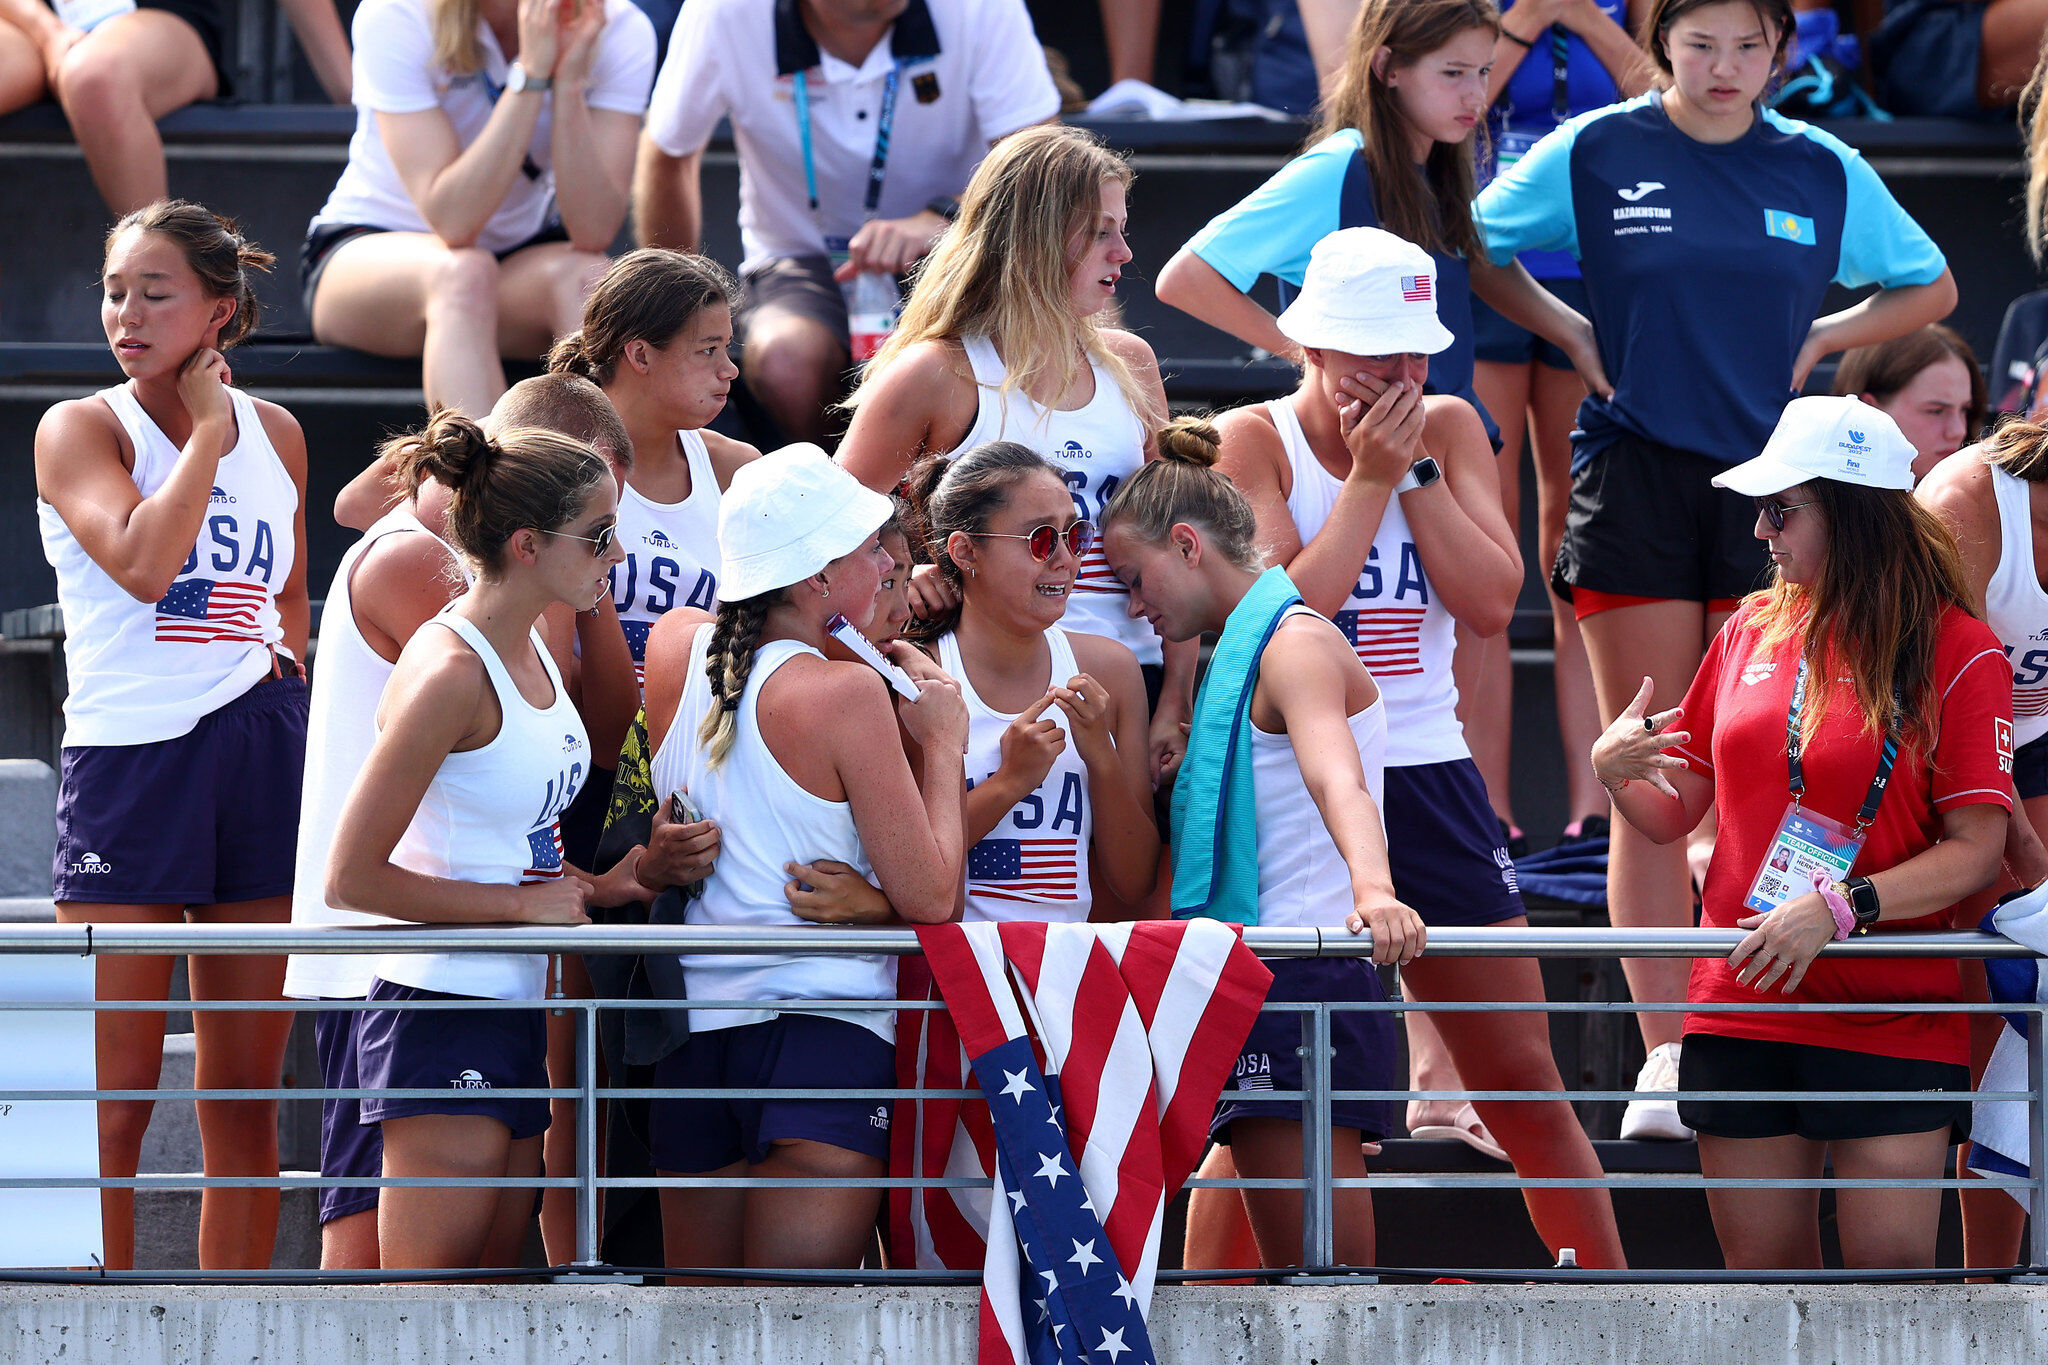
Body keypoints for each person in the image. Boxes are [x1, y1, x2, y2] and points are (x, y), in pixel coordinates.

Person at [1473, 0, 1956, 1139]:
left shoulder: (1818, 163)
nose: (1723, 68)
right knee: (1651, 776)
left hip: (1779, 486)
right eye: (1698, 44)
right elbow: (1475, 241)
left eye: (1748, 46)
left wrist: (1822, 341)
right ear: (1659, 42)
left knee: (1759, 771)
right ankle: (1662, 1059)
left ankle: (1753, 1022)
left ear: (1780, 52)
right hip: (1636, 469)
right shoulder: (1597, 147)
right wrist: (1569, 333)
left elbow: (1927, 286)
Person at [1208, 227, 1626, 1266]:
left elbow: (1489, 604)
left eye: (1409, 353)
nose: (1394, 377)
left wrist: (1413, 477)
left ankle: (1621, 1310)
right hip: (1287, 780)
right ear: (1309, 345)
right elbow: (1281, 620)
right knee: (1264, 1097)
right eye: (1369, 355)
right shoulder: (1248, 438)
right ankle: (1203, 1309)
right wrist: (1363, 482)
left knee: (1523, 1075)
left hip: (1427, 773)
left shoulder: (1445, 424)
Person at [1592, 395, 2012, 1270]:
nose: (1757, 530)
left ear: (1854, 514)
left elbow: (1979, 849)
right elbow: (1672, 814)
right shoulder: (1750, 625)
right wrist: (1616, 770)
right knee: (1763, 1299)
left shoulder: (1960, 648)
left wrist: (1839, 906)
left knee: (1887, 1313)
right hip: (1744, 1002)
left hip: (1892, 1009)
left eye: (1780, 508)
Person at [290, 373, 641, 1272]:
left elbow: (511, 836)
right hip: (441, 1001)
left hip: (508, 996)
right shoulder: (448, 665)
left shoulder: (529, 644)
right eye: (599, 535)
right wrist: (525, 914)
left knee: (495, 1291)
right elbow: (353, 877)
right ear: (527, 544)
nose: (617, 553)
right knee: (425, 1310)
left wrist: (608, 883)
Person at [35, 201, 309, 1271]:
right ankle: (99, 1315)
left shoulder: (278, 431)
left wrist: (276, 671)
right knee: (114, 1098)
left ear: (219, 312)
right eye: (115, 290)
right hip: (129, 762)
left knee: (244, 1093)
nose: (127, 313)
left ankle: (230, 1321)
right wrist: (201, 435)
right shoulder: (83, 426)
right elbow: (145, 564)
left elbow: (289, 592)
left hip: (254, 751)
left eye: (155, 292)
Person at [635, 445, 969, 1279]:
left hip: (694, 1036)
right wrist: (943, 745)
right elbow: (933, 898)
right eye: (870, 551)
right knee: (801, 1331)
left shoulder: (677, 648)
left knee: (700, 1334)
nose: (892, 562)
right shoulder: (846, 696)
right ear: (819, 577)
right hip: (829, 1031)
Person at [1096, 419, 1421, 1270]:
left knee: (1325, 1289)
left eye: (1136, 579)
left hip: (1300, 977)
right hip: (1258, 978)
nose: (1137, 607)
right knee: (1230, 1263)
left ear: (1187, 543)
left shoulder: (1294, 643)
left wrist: (1374, 888)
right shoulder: (1237, 660)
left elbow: (1335, 777)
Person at [839, 123, 1194, 795]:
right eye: (1100, 232)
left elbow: (1168, 545)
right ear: (1035, 235)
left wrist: (1176, 695)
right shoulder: (938, 371)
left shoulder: (1133, 366)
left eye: (1121, 229)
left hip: (1125, 678)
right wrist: (906, 564)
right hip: (980, 688)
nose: (1123, 252)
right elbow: (828, 519)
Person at [634, 0, 1060, 444]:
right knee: (788, 360)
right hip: (799, 260)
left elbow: (1043, 168)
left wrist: (946, 219)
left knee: (1083, 317)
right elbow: (668, 153)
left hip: (963, 250)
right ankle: (825, 492)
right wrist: (679, 310)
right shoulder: (724, 12)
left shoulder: (982, 8)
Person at [1156, 0, 1529, 441]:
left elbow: (1475, 262)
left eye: (1484, 71)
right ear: (1387, 66)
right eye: (1453, 72)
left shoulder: (1441, 163)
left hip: (1449, 428)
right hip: (1366, 440)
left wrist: (1576, 337)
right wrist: (1310, 352)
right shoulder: (1340, 165)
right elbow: (1185, 279)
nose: (1475, 94)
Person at [1467, 0, 1654, 852]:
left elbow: (1667, 97)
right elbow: (1450, 103)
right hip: (1487, 259)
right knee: (1485, 540)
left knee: (1570, 543)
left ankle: (1595, 799)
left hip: (1597, 270)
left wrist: (1583, 15)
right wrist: (1526, 19)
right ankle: (1485, 805)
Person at [302, 0, 656, 416]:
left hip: (515, 261)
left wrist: (569, 82)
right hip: (370, 250)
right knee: (463, 274)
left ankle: (613, 475)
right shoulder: (397, 12)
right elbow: (454, 220)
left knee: (590, 279)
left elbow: (593, 230)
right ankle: (477, 479)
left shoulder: (620, 27)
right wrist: (532, 72)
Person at [899, 441, 1158, 921]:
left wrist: (1100, 753)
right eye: (1041, 540)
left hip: (1065, 974)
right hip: (951, 975)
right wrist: (1011, 782)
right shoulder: (917, 676)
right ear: (964, 551)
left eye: (1075, 536)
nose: (1065, 559)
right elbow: (906, 867)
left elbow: (1134, 881)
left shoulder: (1110, 670)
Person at [547, 248, 762, 683]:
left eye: (727, 349)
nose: (730, 370)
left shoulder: (737, 469)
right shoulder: (542, 454)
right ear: (640, 356)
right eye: (708, 351)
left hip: (694, 733)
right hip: (581, 733)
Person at [0, 0, 228, 217]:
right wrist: (48, 33)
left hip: (154, 14)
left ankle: (152, 252)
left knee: (94, 78)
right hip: (26, 20)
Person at [1833, 324, 1986, 482]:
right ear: (1870, 410)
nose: (1958, 431)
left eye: (1964, 409)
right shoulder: (1817, 503)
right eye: (1936, 411)